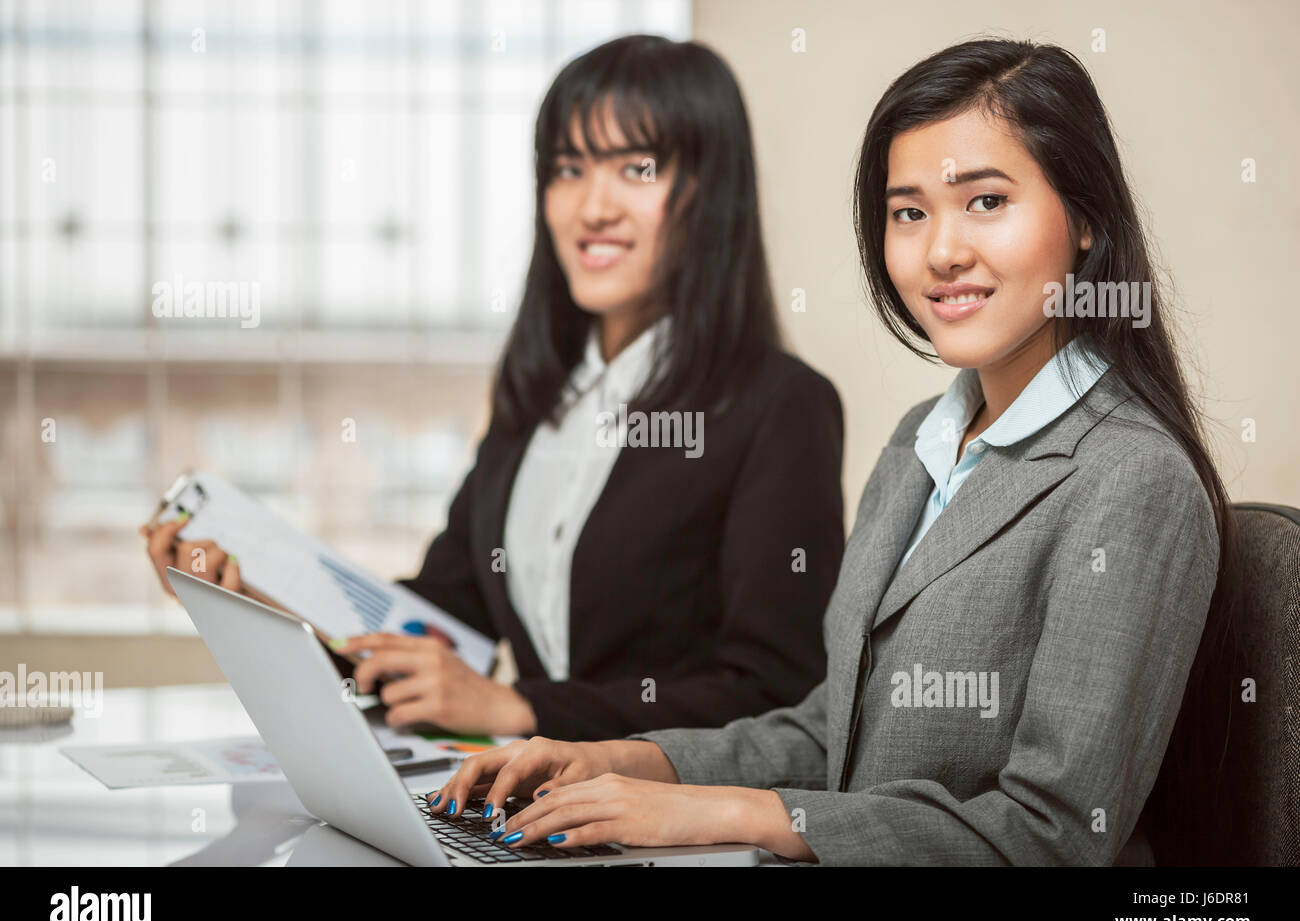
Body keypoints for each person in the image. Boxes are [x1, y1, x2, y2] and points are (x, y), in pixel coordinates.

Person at [426, 37, 1240, 865]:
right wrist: (623, 761)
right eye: (909, 212)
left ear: (1088, 219)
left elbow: (1054, 836)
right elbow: (832, 732)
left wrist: (739, 817)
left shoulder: (1132, 479)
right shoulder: (922, 442)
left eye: (986, 201)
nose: (942, 250)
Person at [140, 35, 845, 742]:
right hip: (535, 808)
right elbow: (441, 625)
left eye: (637, 167)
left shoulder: (780, 406)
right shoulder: (536, 401)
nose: (591, 207)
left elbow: (776, 690)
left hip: (678, 829)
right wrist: (256, 597)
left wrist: (522, 709)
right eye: (569, 168)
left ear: (707, 192)